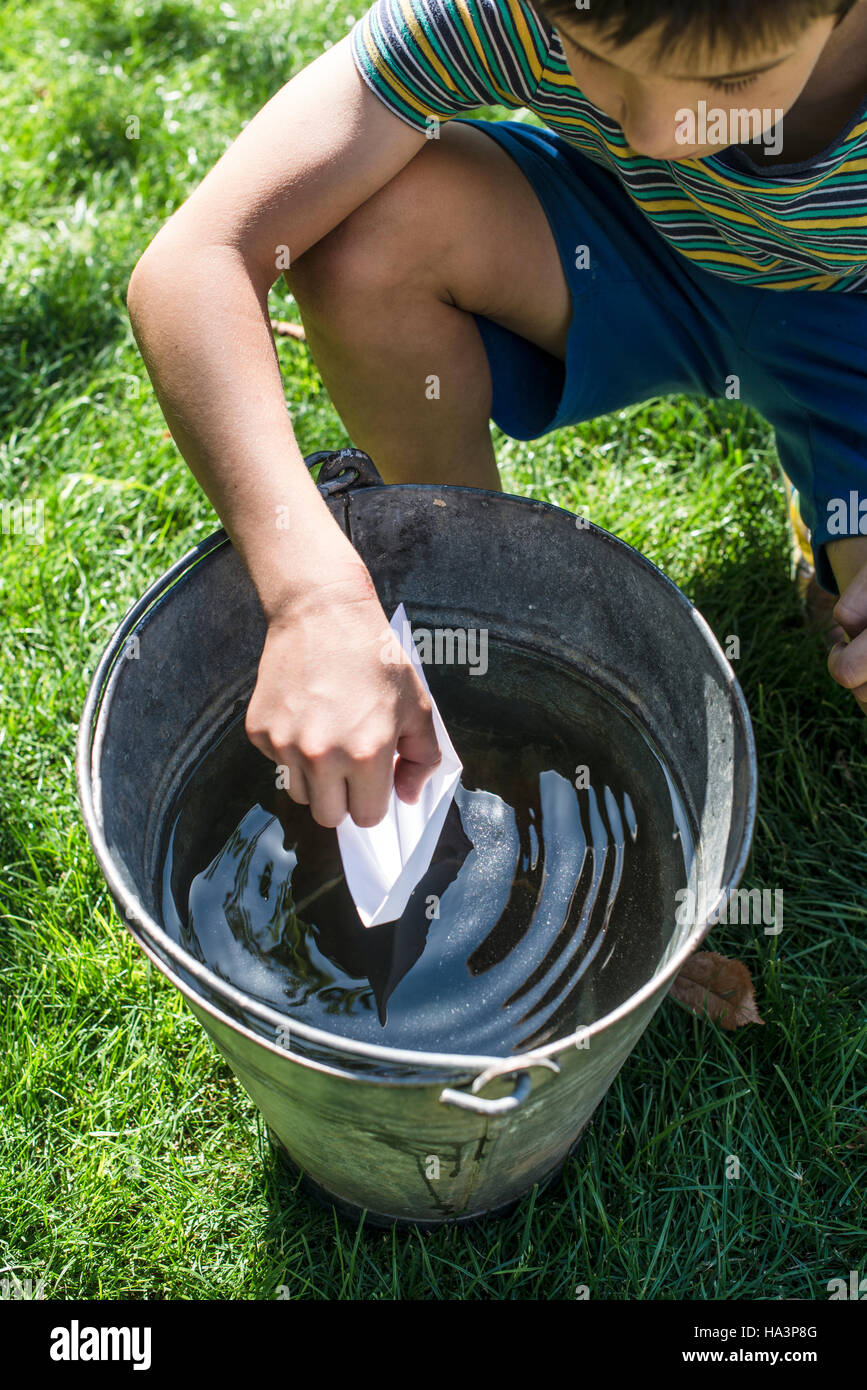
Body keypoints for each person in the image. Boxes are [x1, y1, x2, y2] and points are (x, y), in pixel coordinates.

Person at [127, 0, 867, 832]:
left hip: (848, 320)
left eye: (729, 83)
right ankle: (462, 593)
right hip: (630, 242)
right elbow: (199, 259)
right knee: (358, 237)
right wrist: (314, 595)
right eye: (590, 54)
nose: (657, 132)